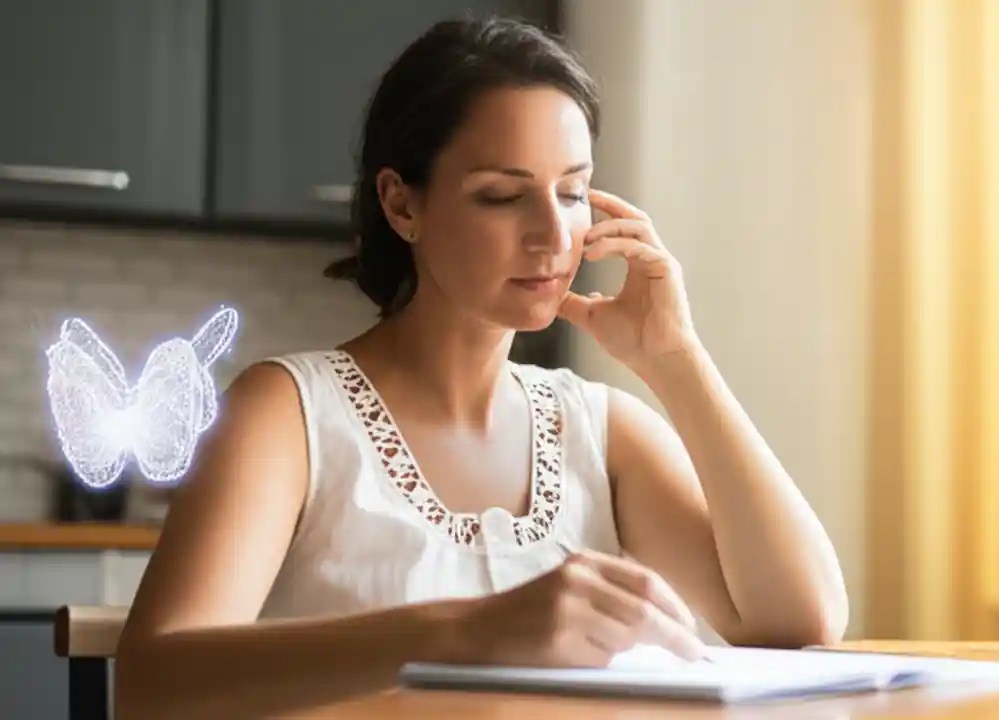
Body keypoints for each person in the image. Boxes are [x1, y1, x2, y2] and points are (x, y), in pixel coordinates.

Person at [113, 17, 847, 718]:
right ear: (403, 205)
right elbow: (151, 686)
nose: (553, 235)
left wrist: (676, 359)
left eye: (572, 191)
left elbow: (799, 619)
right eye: (502, 196)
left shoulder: (602, 432)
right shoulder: (287, 414)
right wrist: (468, 633)